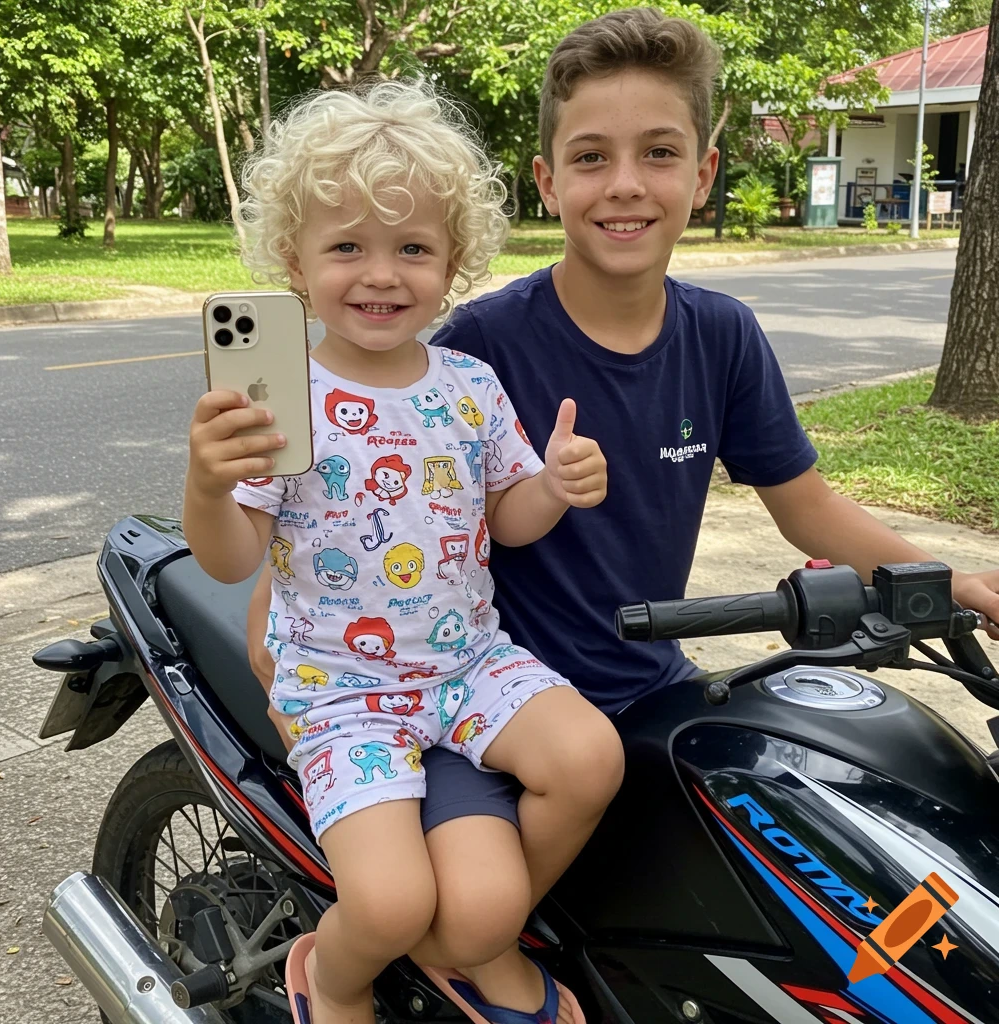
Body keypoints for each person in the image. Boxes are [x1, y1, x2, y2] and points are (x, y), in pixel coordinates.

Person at [248, 5, 999, 1021]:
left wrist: (945, 580)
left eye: (659, 152)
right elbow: (342, 500)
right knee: (471, 914)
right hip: (483, 705)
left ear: (702, 171)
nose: (626, 185)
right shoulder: (472, 346)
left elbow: (805, 500)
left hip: (640, 688)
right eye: (592, 157)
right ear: (550, 179)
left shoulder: (722, 335)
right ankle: (429, 957)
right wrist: (275, 639)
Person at [184, 79, 622, 1024]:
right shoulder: (281, 399)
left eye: (413, 248)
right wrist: (211, 483)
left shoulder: (468, 382)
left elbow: (505, 516)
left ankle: (474, 948)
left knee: (589, 759)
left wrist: (552, 485)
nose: (381, 274)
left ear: (453, 262)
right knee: (386, 904)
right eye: (346, 246)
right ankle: (332, 977)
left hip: (469, 663)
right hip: (341, 691)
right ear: (293, 261)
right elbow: (228, 561)